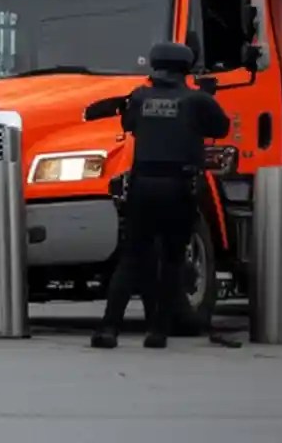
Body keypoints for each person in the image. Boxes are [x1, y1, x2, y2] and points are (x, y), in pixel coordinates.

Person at [91, 42, 230, 350]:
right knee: (172, 260)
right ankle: (157, 332)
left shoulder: (140, 98)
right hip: (179, 187)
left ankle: (109, 328)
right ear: (186, 68)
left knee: (132, 258)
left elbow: (129, 124)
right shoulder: (196, 100)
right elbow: (221, 128)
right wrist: (207, 96)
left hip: (143, 187)